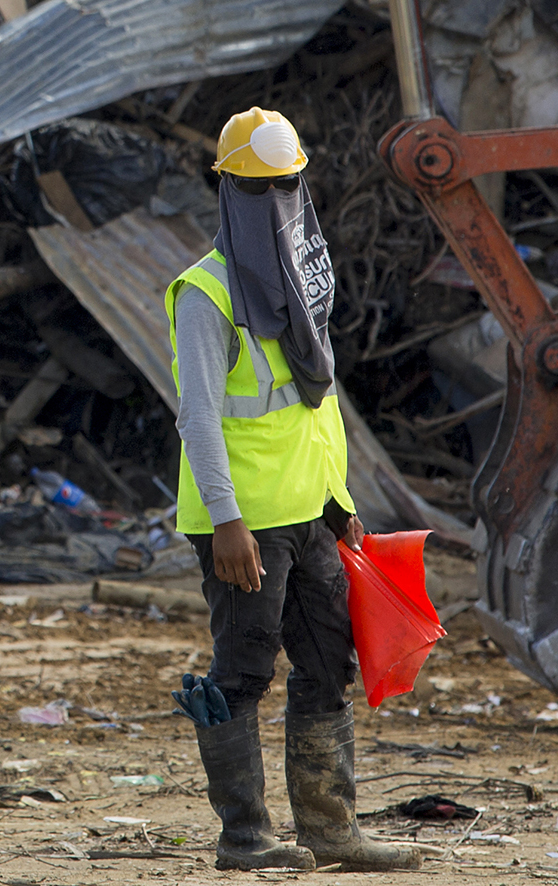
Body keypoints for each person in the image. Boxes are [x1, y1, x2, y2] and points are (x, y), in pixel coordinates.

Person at [167, 107, 417, 871]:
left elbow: (316, 403)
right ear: (229, 191)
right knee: (241, 672)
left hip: (309, 509)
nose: (277, 202)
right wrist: (227, 523)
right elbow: (201, 418)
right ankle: (244, 838)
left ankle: (330, 830)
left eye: (288, 186)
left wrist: (338, 499)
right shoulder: (207, 294)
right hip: (244, 521)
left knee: (328, 662)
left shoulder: (303, 284)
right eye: (259, 187)